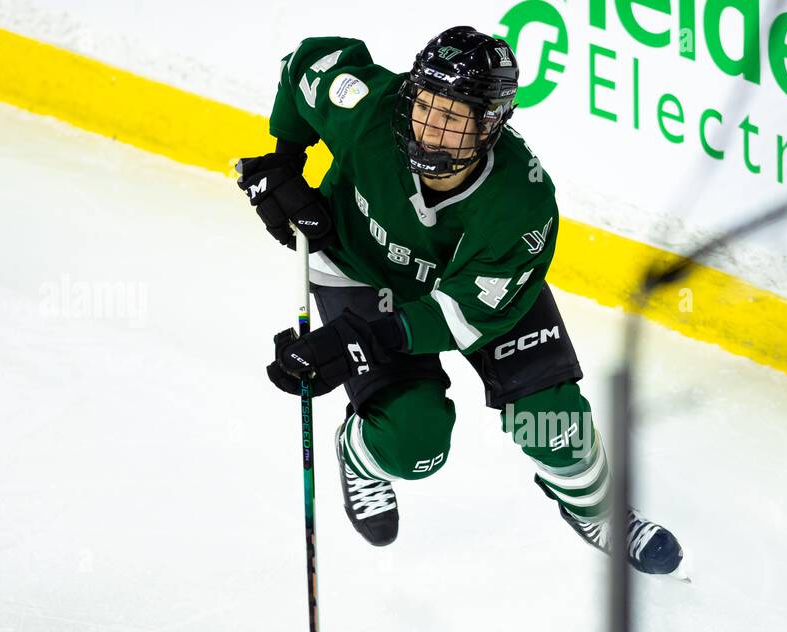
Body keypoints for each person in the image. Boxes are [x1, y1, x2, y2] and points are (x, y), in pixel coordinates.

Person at [235, 26, 683, 575]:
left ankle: (596, 511)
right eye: (425, 106)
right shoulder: (373, 108)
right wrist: (285, 158)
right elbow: (307, 63)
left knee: (552, 422)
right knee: (414, 444)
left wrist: (360, 341)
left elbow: (463, 315)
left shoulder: (521, 200)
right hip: (357, 269)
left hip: (474, 292)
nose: (429, 130)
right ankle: (360, 456)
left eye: (452, 118)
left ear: (491, 124)